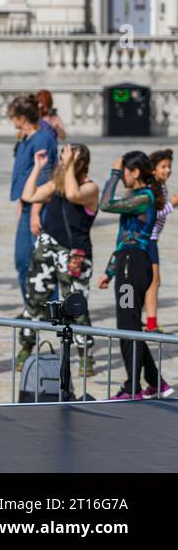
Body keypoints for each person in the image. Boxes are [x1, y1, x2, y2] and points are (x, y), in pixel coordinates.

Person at [97, 151, 173, 399]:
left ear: (136, 172)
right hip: (127, 264)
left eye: (125, 172)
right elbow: (124, 240)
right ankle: (155, 382)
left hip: (133, 268)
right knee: (130, 325)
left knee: (127, 327)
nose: (123, 177)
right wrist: (110, 270)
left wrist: (113, 174)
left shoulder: (144, 197)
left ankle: (132, 388)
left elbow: (105, 204)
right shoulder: (140, 196)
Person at [15, 144, 98, 371]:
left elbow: (73, 194)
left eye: (69, 158)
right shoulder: (56, 184)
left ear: (81, 163)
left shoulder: (90, 188)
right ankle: (26, 345)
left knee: (75, 304)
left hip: (74, 254)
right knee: (35, 300)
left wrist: (68, 165)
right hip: (47, 248)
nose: (63, 161)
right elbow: (28, 195)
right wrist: (38, 167)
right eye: (63, 157)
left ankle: (85, 353)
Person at [9, 94, 57, 301]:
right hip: (26, 206)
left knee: (42, 262)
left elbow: (45, 176)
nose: (11, 120)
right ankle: (31, 307)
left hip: (40, 208)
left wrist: (36, 213)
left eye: (13, 116)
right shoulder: (25, 139)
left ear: (22, 117)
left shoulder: (43, 139)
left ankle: (49, 309)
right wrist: (21, 208)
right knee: (22, 260)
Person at [144, 149, 177, 332]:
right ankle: (151, 324)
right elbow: (152, 215)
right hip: (149, 240)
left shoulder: (160, 186)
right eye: (163, 166)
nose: (168, 170)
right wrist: (172, 205)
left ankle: (144, 320)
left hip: (152, 240)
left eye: (169, 166)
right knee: (153, 282)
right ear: (153, 169)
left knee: (152, 281)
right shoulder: (151, 188)